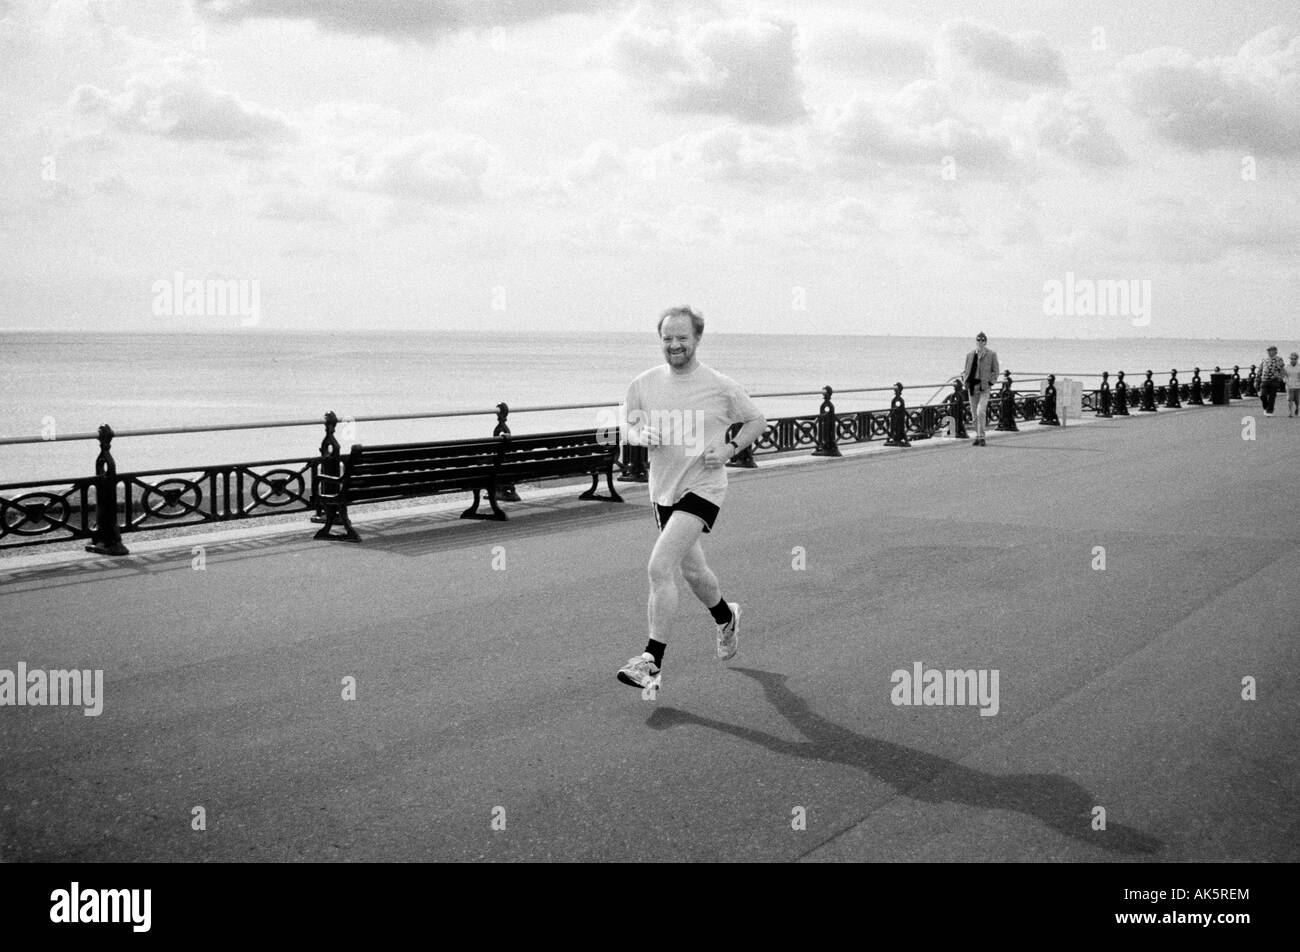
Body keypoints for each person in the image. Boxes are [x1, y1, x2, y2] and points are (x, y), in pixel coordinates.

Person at [616, 306, 767, 692]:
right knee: (693, 573)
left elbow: (756, 421)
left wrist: (730, 450)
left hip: (704, 486)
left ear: (697, 338)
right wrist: (638, 435)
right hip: (663, 489)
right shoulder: (643, 384)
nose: (674, 345)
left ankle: (651, 662)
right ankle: (725, 617)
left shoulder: (720, 385)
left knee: (659, 566)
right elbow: (629, 425)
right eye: (667, 338)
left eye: (682, 338)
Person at [961, 332, 1000, 446]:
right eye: (978, 340)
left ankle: (982, 437)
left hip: (984, 387)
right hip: (972, 387)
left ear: (986, 342)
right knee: (974, 414)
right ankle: (977, 436)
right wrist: (964, 380)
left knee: (981, 411)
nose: (980, 342)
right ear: (976, 341)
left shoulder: (991, 354)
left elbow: (996, 371)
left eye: (983, 340)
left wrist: (990, 382)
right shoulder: (970, 354)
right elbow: (965, 370)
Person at [1258, 346, 1286, 416]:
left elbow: (1282, 370)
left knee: (1272, 396)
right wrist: (1257, 378)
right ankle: (1266, 407)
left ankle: (1270, 411)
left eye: (1271, 351)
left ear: (1275, 352)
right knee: (1262, 395)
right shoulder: (1264, 359)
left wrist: (1280, 377)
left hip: (1274, 380)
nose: (1269, 352)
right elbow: (1260, 369)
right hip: (1264, 379)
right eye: (1268, 351)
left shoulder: (1279, 359)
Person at [1286, 352, 1300, 418]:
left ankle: (1297, 407)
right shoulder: (1287, 367)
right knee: (1289, 399)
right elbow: (1284, 375)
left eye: (1294, 359)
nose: (1293, 360)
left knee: (1297, 400)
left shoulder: (1299, 367)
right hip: (1289, 386)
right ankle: (1290, 412)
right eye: (1291, 358)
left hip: (1297, 386)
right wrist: (1285, 381)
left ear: (1297, 359)